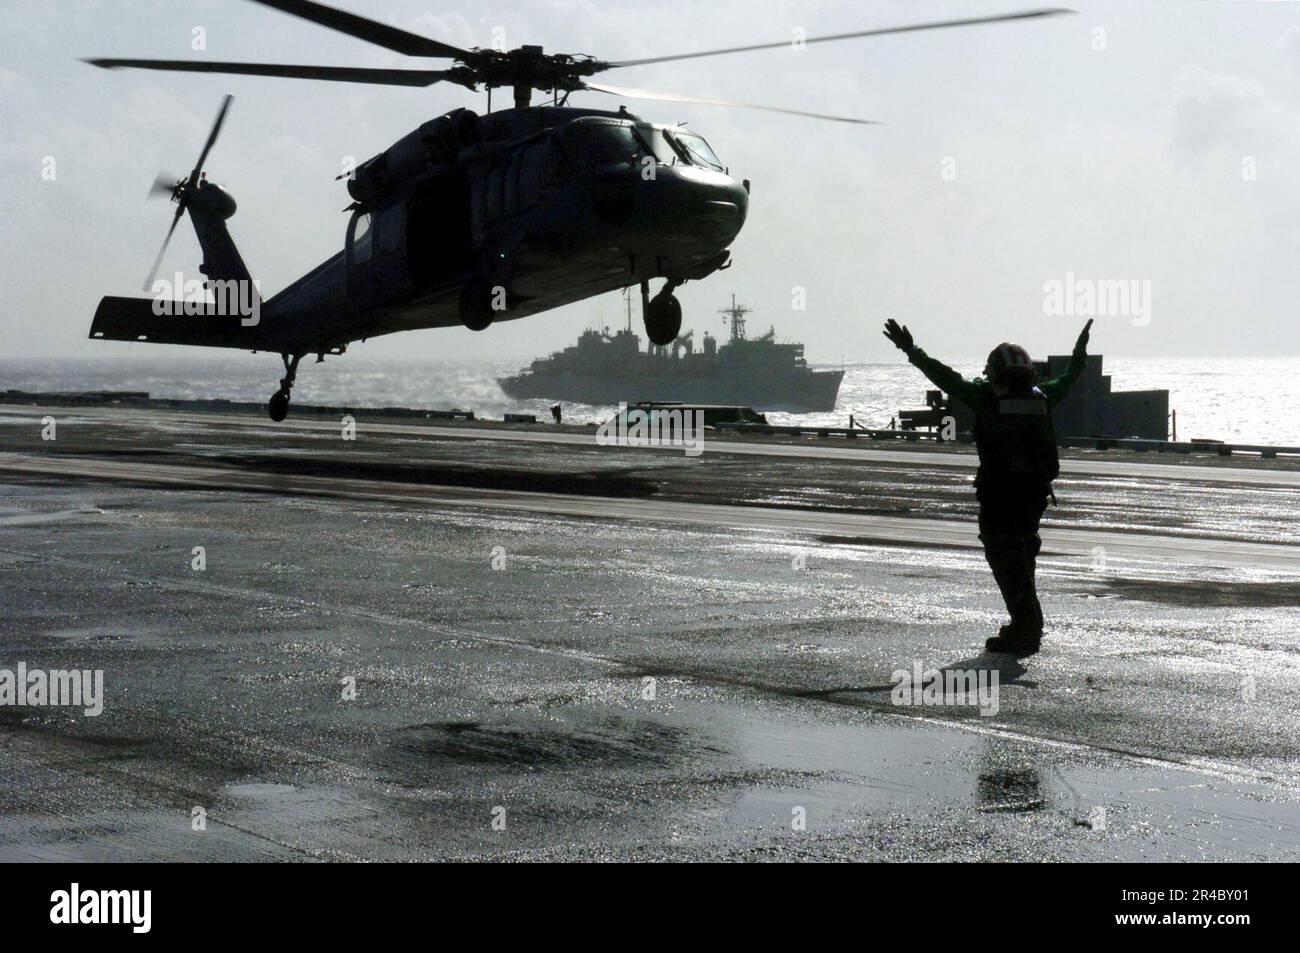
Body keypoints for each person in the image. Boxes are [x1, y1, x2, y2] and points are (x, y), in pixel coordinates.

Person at [882, 317, 1093, 656]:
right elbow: (1070, 377)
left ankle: (1027, 628)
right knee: (1023, 556)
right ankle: (1023, 622)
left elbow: (945, 377)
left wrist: (911, 349)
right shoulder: (1044, 397)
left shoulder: (986, 397)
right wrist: (1079, 353)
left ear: (994, 373)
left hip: (1000, 496)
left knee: (1004, 558)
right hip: (1035, 494)